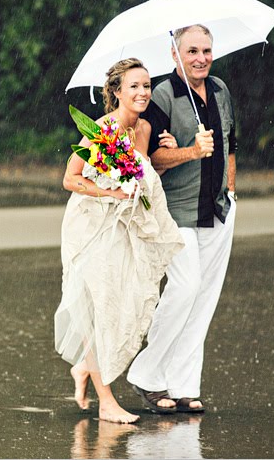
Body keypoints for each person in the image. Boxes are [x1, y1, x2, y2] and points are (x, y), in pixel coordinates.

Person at [54, 58, 184, 424]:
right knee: (99, 309)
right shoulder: (103, 129)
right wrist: (110, 194)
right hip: (92, 227)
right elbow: (71, 178)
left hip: (124, 229)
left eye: (146, 86)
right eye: (134, 87)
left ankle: (85, 368)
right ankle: (108, 402)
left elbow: (141, 175)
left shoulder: (141, 129)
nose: (143, 93)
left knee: (122, 304)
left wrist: (162, 160)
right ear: (116, 92)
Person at [128, 24, 237, 414]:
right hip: (176, 211)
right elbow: (150, 161)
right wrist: (191, 151)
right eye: (191, 51)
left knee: (204, 300)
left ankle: (183, 385)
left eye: (206, 50)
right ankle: (147, 375)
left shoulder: (221, 90)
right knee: (185, 288)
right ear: (175, 55)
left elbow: (231, 145)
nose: (200, 58)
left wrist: (231, 191)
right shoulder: (162, 94)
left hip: (219, 210)